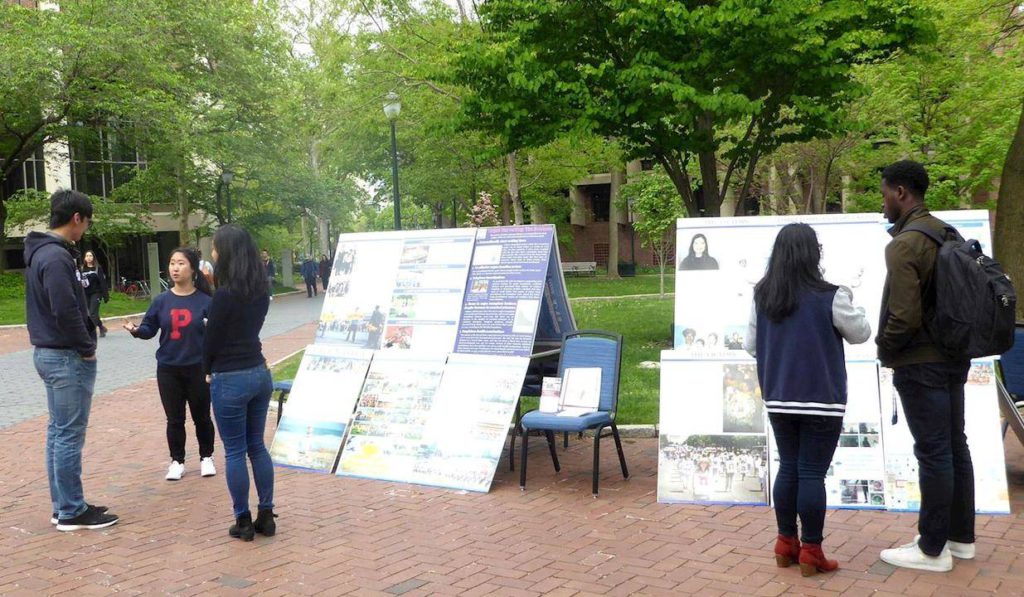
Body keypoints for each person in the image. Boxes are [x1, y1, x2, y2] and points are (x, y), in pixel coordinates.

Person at [743, 223, 870, 576]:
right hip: (821, 398)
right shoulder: (832, 295)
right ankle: (812, 550)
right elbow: (861, 333)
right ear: (815, 254)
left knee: (789, 466)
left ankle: (786, 542)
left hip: (779, 397)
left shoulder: (762, 295)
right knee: (812, 472)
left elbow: (750, 345)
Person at [876, 160, 975, 572]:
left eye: (884, 194)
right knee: (955, 445)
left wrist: (884, 348)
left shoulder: (904, 244)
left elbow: (904, 316)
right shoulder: (945, 232)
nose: (882, 204)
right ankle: (960, 538)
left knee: (933, 452)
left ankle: (932, 548)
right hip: (954, 355)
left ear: (901, 193)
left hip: (921, 362)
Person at [25, 189, 119, 531]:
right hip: (65, 355)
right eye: (86, 221)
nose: (85, 229)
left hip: (51, 353)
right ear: (76, 218)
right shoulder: (55, 258)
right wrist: (86, 346)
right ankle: (71, 510)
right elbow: (64, 308)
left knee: (57, 432)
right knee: (68, 435)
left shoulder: (44, 253)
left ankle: (64, 503)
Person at [205, 225, 275, 542]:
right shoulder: (262, 290)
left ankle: (242, 520)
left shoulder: (224, 295)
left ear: (227, 252)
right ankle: (266, 514)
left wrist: (207, 368)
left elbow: (212, 339)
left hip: (230, 376)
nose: (212, 253)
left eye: (216, 248)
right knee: (257, 446)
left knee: (234, 451)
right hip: (258, 371)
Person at [125, 247, 217, 481]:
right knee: (174, 419)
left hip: (198, 368)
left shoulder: (206, 301)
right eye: (172, 263)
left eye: (181, 263)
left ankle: (207, 457)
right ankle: (177, 461)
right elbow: (149, 329)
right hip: (168, 368)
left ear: (193, 269)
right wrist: (136, 331)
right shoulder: (161, 301)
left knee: (202, 416)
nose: (175, 268)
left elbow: (216, 337)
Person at [80, 250, 110, 338]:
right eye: (87, 256)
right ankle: (101, 327)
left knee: (93, 313)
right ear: (84, 258)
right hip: (85, 294)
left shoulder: (97, 268)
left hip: (96, 293)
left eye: (90, 256)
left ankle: (90, 333)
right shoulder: (82, 269)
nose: (88, 258)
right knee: (88, 313)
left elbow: (102, 282)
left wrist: (105, 296)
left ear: (93, 258)